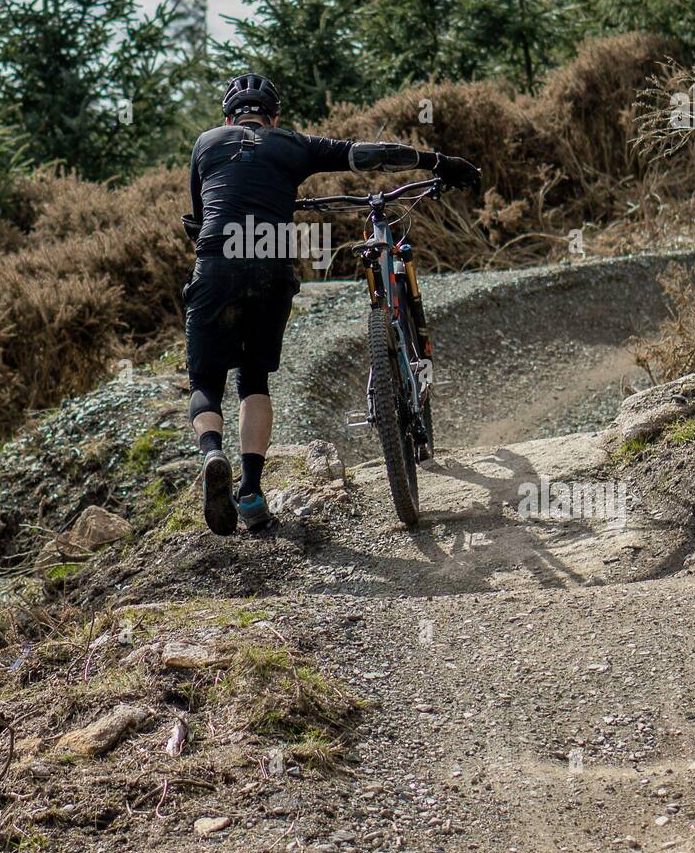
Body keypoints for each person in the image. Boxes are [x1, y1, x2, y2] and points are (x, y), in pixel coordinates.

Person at [183, 73, 480, 536]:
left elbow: (199, 218)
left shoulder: (206, 143)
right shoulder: (294, 144)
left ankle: (213, 453)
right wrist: (438, 160)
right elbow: (370, 155)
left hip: (219, 262)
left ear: (227, 117)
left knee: (205, 378)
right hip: (273, 264)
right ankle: (251, 493)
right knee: (254, 378)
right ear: (274, 117)